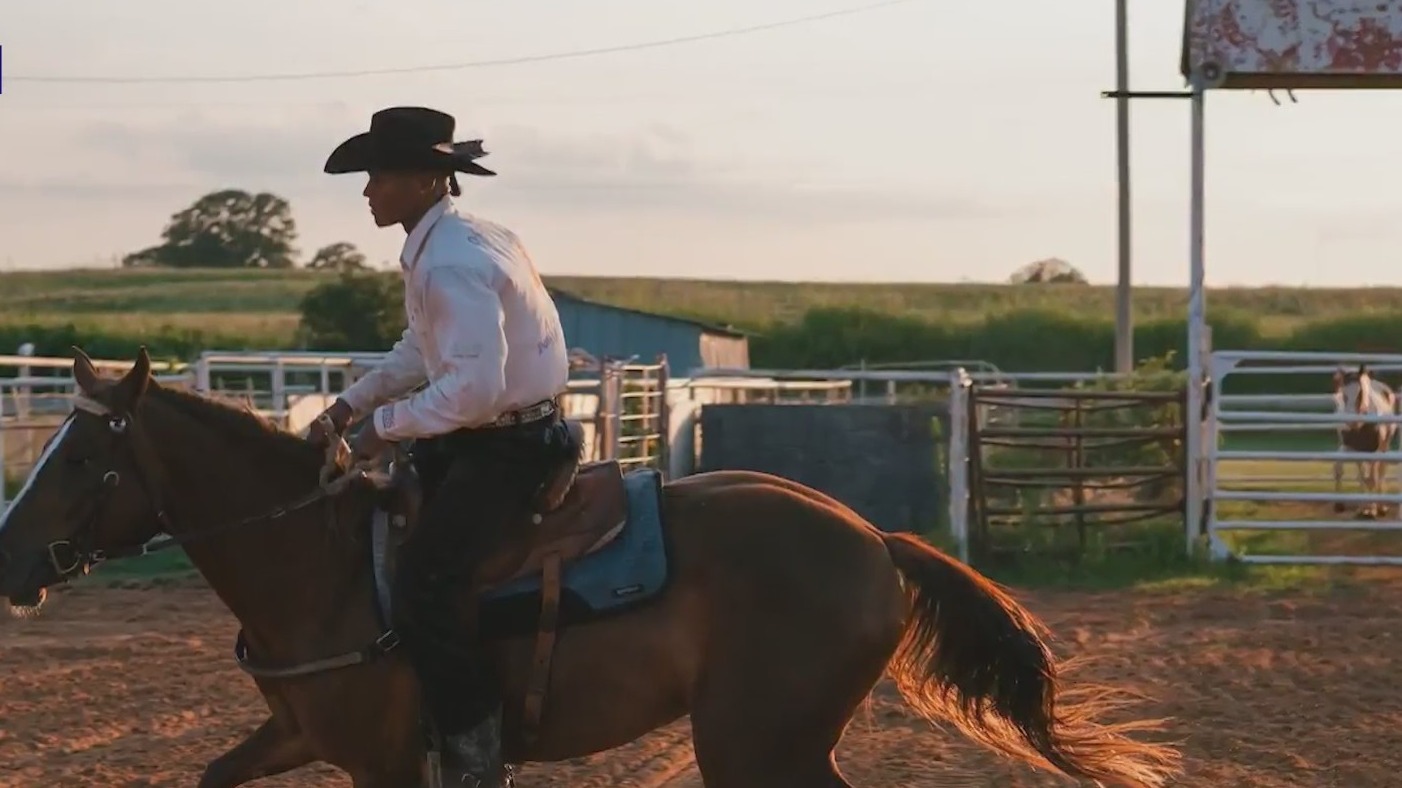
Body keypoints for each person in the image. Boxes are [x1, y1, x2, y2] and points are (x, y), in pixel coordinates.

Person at [308, 106, 573, 787]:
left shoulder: (449, 262)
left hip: (503, 448)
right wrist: (349, 404)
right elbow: (422, 351)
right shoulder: (463, 241)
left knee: (424, 582)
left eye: (381, 176)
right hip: (498, 436)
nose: (368, 190)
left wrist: (377, 429)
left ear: (428, 180)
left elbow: (475, 391)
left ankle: (475, 761)